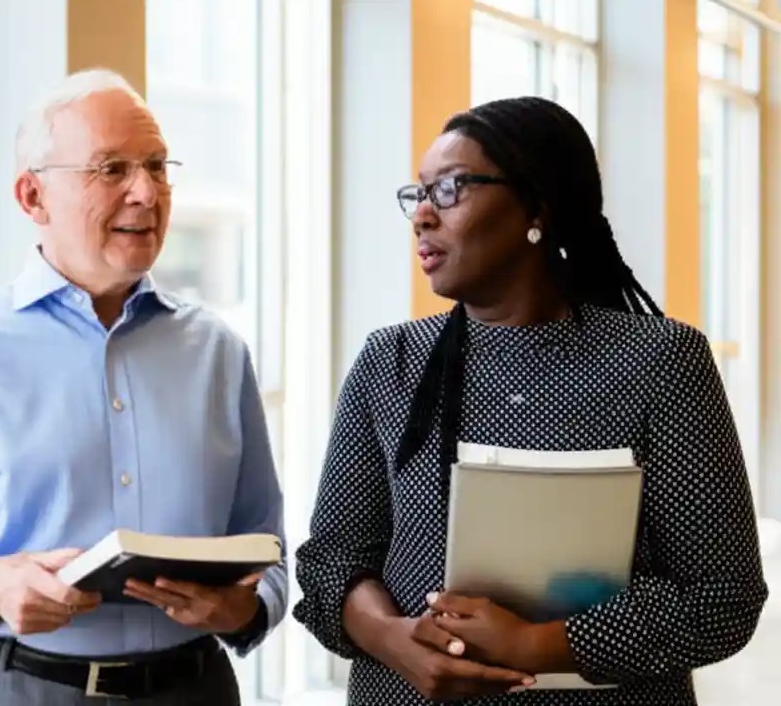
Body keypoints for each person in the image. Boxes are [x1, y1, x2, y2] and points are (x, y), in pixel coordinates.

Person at [292, 96, 769, 704]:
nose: (422, 217)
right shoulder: (390, 361)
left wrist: (537, 645)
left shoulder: (660, 361)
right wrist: (395, 640)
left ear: (537, 206)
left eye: (451, 189)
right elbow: (332, 560)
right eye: (419, 194)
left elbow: (721, 596)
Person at [0, 68, 287, 705]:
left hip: (191, 690)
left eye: (158, 166)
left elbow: (266, 549)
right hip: (4, 686)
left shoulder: (217, 352)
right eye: (111, 169)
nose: (146, 191)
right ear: (33, 197)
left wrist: (244, 611)